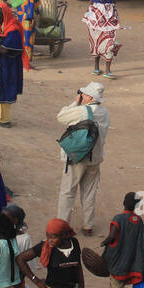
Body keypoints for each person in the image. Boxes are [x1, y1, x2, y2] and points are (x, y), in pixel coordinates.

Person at [56, 81, 110, 235]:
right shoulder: (104, 112)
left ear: (89, 97)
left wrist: (76, 102)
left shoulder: (82, 111)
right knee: (89, 192)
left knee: (68, 191)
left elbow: (61, 116)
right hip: (95, 157)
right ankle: (88, 225)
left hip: (77, 157)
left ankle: (62, 225)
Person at [102, 192, 144, 288]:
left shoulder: (118, 218)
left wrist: (103, 242)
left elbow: (111, 236)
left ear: (123, 202)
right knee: (113, 286)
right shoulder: (138, 221)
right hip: (130, 261)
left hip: (117, 261)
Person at [83, 0, 123, 76]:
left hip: (110, 16)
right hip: (95, 16)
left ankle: (108, 70)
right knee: (96, 41)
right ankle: (96, 67)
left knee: (110, 40)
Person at [16, 0, 41, 65]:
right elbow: (29, 2)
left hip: (22, 14)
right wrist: (32, 17)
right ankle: (27, 62)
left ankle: (25, 60)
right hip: (27, 16)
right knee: (27, 39)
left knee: (25, 38)